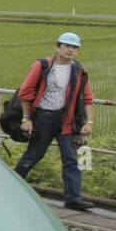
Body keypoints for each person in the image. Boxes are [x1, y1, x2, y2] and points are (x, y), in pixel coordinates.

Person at [14, 32, 95, 211]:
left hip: (66, 120)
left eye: (74, 47)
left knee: (71, 158)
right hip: (43, 118)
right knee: (33, 155)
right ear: (58, 47)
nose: (70, 50)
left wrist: (89, 122)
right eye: (67, 46)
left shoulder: (79, 71)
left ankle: (73, 198)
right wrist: (27, 118)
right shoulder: (43, 66)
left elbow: (87, 98)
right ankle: (11, 186)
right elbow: (25, 93)